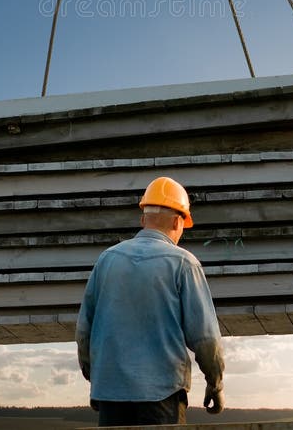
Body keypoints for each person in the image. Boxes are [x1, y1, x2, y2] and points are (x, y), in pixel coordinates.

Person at [76, 175, 225, 426]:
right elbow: (205, 337)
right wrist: (215, 383)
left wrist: (97, 379)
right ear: (178, 222)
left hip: (111, 395)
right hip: (162, 395)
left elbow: (84, 331)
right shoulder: (183, 263)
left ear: (143, 219)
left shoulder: (107, 260)